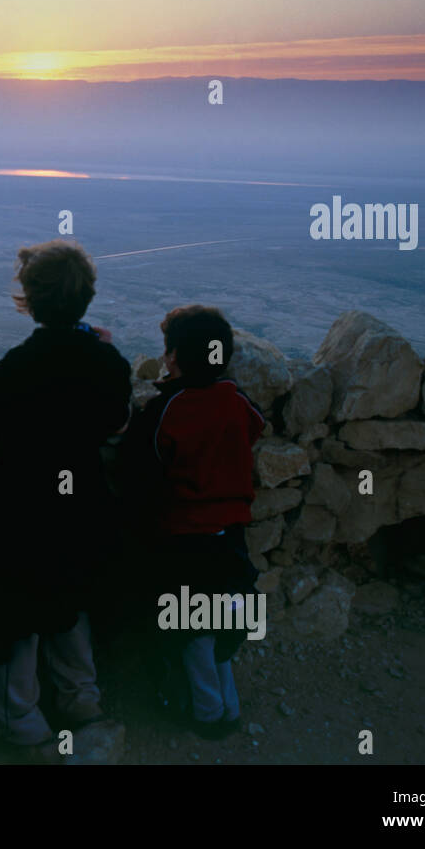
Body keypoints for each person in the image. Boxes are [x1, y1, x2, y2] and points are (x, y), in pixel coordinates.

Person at [0, 240, 131, 763]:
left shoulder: (21, 364)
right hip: (83, 504)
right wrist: (106, 350)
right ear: (85, 297)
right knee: (71, 594)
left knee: (18, 608)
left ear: (30, 301)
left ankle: (23, 721)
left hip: (23, 505)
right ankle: (83, 702)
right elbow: (118, 423)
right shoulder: (106, 360)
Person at [118, 304, 265, 739]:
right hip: (231, 537)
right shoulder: (235, 400)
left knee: (192, 631)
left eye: (168, 352)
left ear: (175, 358)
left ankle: (207, 712)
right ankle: (229, 707)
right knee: (223, 625)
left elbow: (140, 468)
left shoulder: (168, 409)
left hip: (185, 540)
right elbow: (257, 426)